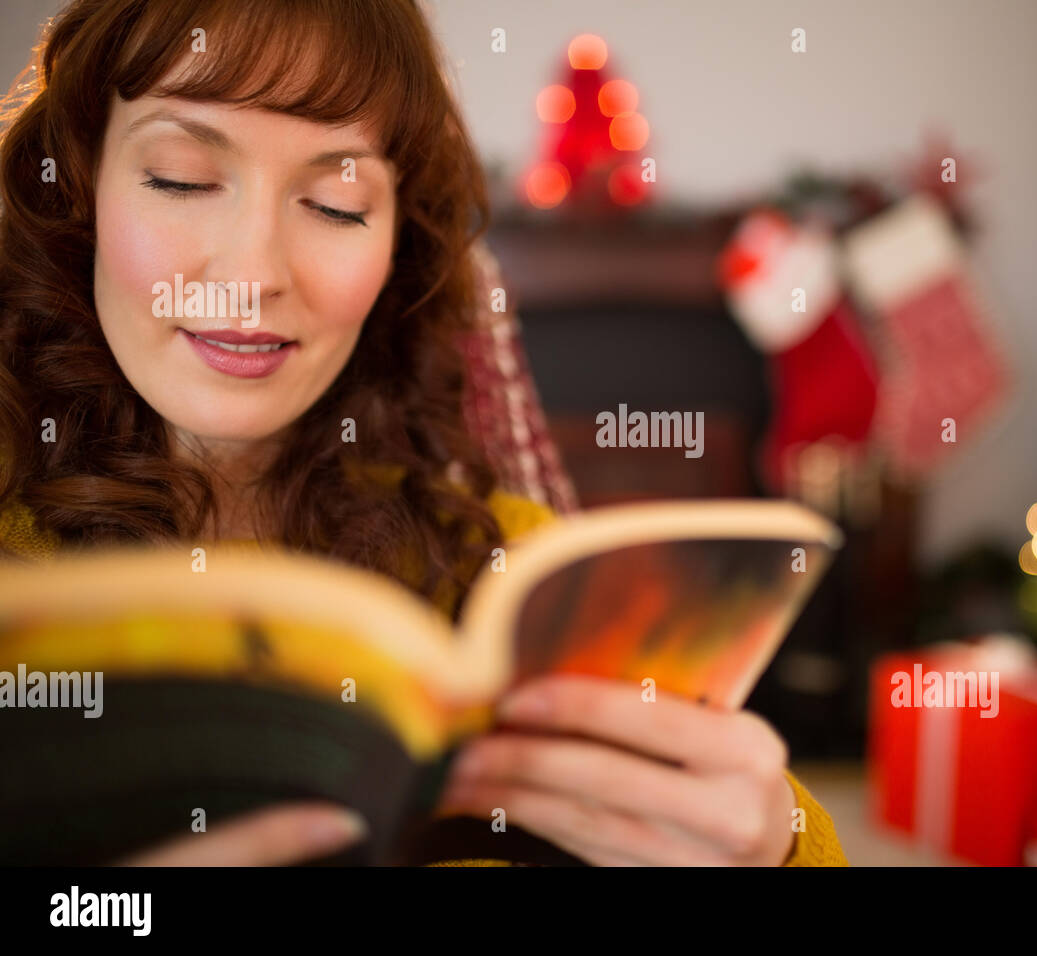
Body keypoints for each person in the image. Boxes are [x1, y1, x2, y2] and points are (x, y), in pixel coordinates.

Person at [0, 0, 847, 866]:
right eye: (180, 177)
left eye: (335, 202)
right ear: (79, 188)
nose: (251, 277)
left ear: (400, 243)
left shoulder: (513, 576)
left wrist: (772, 841)